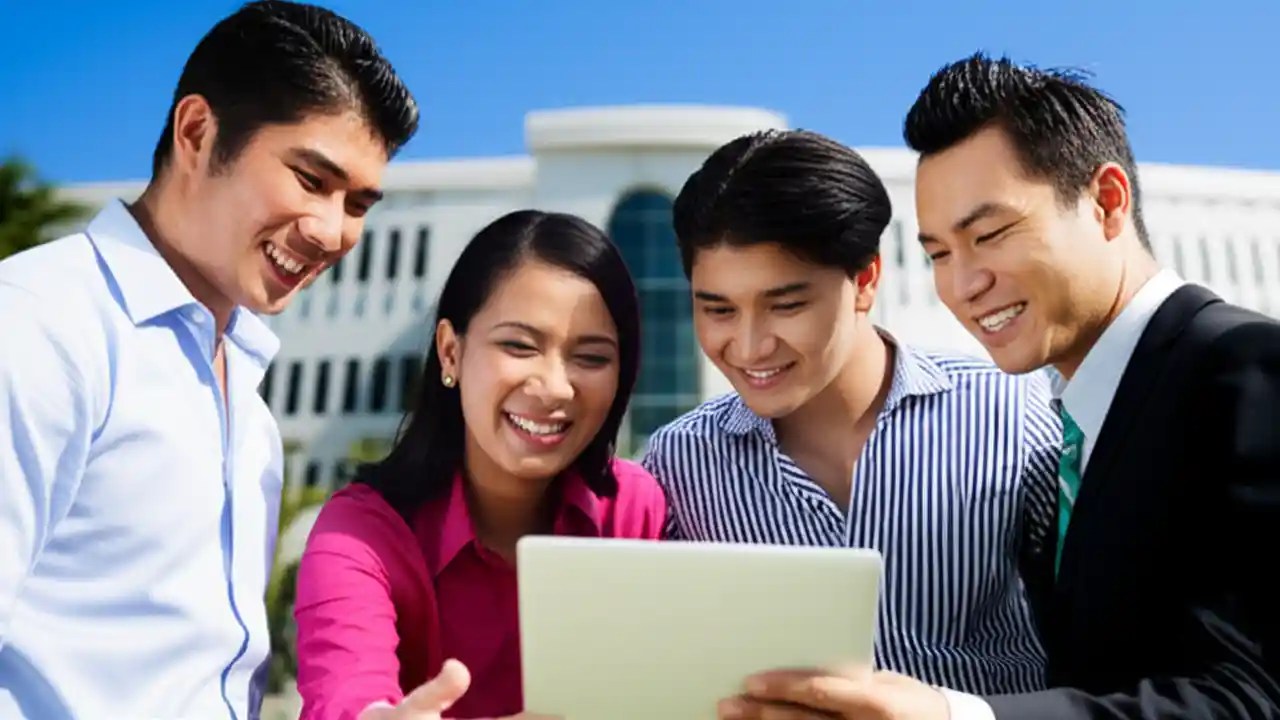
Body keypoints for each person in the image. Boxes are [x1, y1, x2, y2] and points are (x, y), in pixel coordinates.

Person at [719, 53, 1280, 720]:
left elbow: (1255, 695)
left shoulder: (1248, 370)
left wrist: (959, 717)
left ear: (1106, 202)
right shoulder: (1069, 437)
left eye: (989, 235)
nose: (963, 285)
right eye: (939, 254)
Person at [0, 2, 417, 718]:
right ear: (198, 132)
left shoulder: (248, 410)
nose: (332, 232)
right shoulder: (40, 326)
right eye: (311, 180)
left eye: (358, 203)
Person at [643, 129, 1060, 699]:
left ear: (864, 279)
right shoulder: (677, 465)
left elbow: (1098, 646)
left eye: (785, 305)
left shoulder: (1009, 413)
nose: (749, 346)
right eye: (717, 310)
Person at [293, 209, 666, 720]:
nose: (555, 387)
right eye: (518, 346)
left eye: (592, 358)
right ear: (450, 352)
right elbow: (347, 696)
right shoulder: (360, 536)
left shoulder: (633, 511)